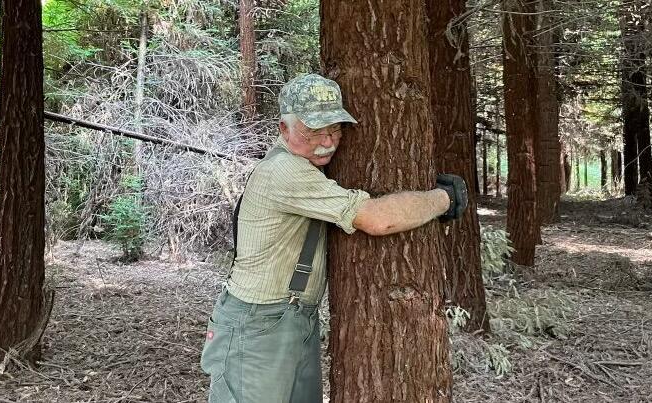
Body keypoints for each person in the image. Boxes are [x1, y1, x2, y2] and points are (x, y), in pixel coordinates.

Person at [200, 74, 467, 403]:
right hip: (256, 326)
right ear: (284, 129)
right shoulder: (285, 171)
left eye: (335, 129)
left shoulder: (309, 165)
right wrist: (443, 200)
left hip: (295, 318)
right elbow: (376, 219)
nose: (327, 141)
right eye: (313, 131)